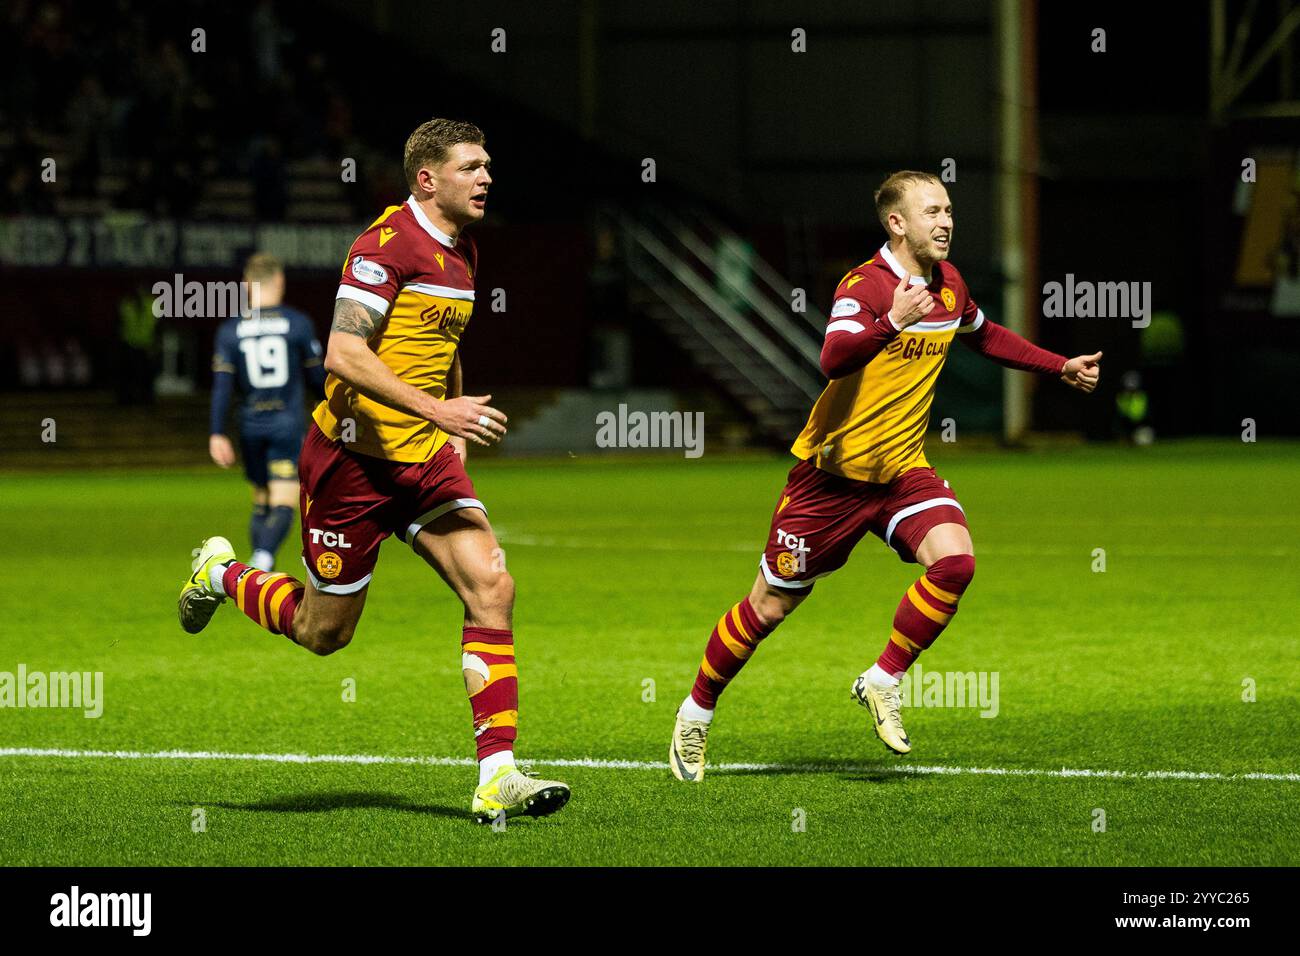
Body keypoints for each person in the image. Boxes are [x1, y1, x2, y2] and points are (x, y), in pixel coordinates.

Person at [179, 118, 570, 823]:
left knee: (492, 583)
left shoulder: (465, 253)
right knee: (323, 633)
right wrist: (440, 411)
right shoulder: (384, 246)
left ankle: (497, 775)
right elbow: (344, 356)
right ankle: (221, 574)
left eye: (488, 165)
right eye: (471, 167)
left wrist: (447, 421)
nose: (487, 178)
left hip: (421, 463)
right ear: (427, 178)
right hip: (349, 465)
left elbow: (443, 344)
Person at [668, 170, 1102, 781]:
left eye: (949, 209)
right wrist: (892, 320)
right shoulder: (866, 285)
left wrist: (1059, 367)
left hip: (902, 472)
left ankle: (882, 678)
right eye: (931, 211)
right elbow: (833, 357)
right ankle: (695, 714)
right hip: (830, 482)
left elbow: (985, 335)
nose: (946, 221)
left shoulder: (949, 285)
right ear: (896, 223)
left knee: (956, 562)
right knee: (767, 608)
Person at [209, 253, 325, 571]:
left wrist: (217, 433)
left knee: (261, 499)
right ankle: (261, 558)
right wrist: (335, 409)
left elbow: (222, 387)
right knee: (284, 500)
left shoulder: (230, 330)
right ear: (279, 281)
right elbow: (318, 379)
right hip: (286, 423)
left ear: (246, 285)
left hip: (249, 425)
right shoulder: (297, 324)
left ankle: (258, 561)